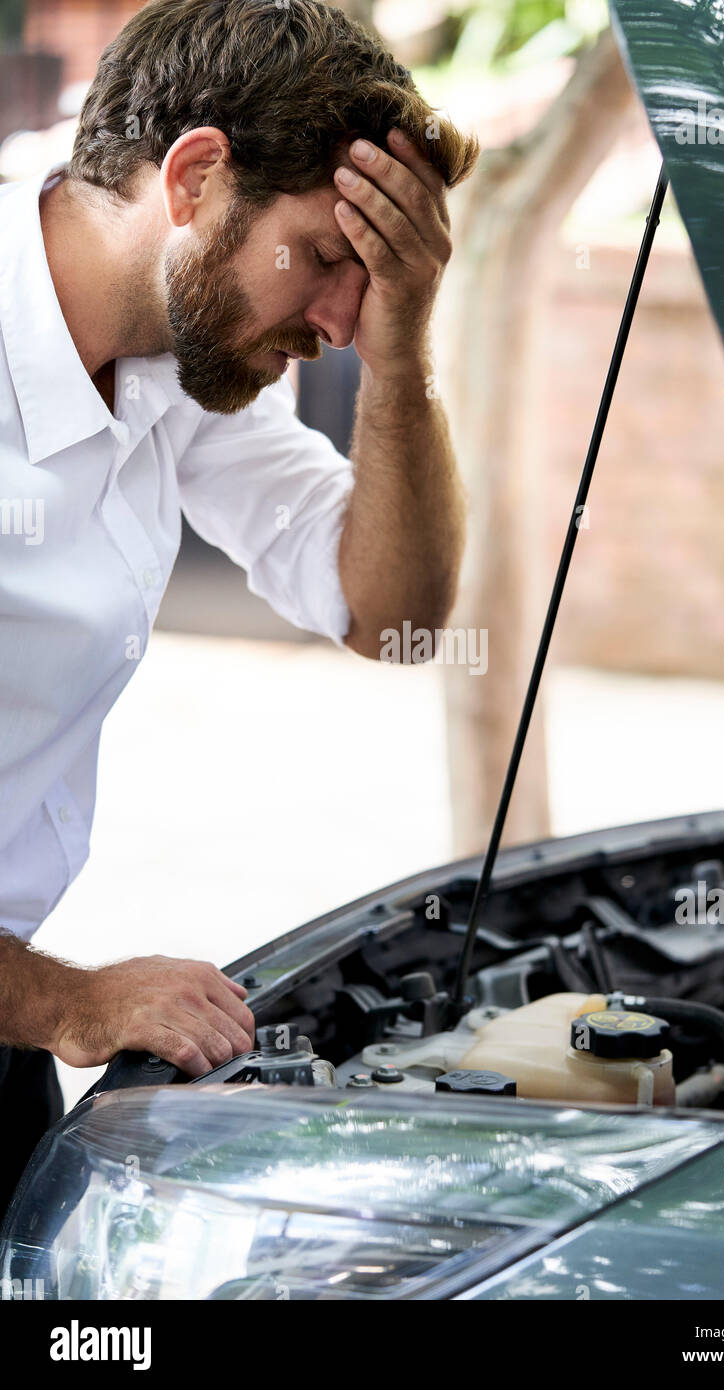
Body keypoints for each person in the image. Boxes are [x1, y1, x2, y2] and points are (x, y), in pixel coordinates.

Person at [0, 0, 478, 1213]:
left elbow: (396, 615)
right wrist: (67, 1000)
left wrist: (405, 351)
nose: (335, 322)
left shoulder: (177, 352)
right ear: (197, 176)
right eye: (325, 258)